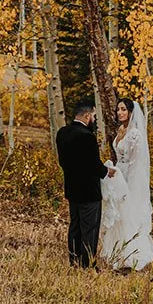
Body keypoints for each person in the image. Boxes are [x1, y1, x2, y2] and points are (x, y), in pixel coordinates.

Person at [99, 98, 153, 271]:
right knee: (118, 217)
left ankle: (132, 258)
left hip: (129, 179)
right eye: (118, 109)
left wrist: (129, 185)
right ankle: (118, 256)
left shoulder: (135, 133)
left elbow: (136, 163)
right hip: (117, 176)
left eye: (123, 109)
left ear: (131, 112)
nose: (120, 112)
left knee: (128, 217)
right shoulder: (120, 130)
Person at [55, 100, 108, 267]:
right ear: (87, 116)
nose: (93, 119)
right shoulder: (87, 136)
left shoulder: (62, 133)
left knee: (75, 227)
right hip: (89, 191)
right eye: (93, 116)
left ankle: (74, 260)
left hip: (72, 188)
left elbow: (62, 161)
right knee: (90, 229)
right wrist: (107, 171)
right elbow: (94, 164)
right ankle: (87, 264)